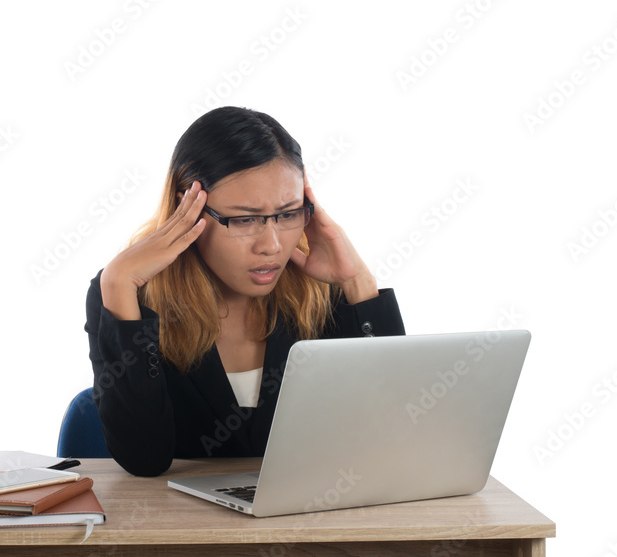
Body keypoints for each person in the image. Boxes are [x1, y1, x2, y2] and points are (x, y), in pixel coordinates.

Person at [85, 106, 405, 477]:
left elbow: (394, 435)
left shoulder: (322, 289)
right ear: (187, 208)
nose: (271, 245)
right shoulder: (129, 295)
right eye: (245, 219)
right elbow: (144, 459)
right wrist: (117, 284)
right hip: (185, 527)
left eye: (288, 214)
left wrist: (357, 283)